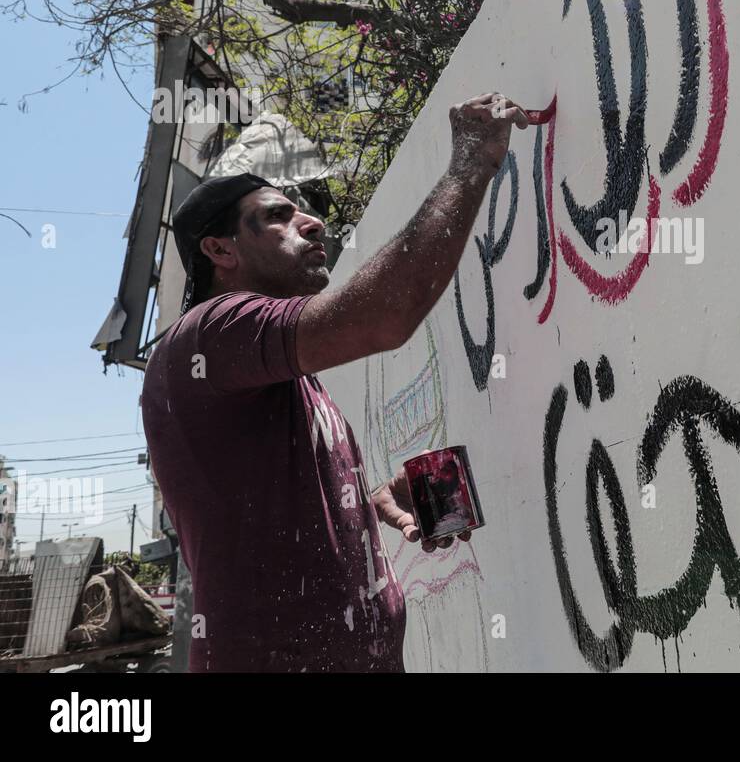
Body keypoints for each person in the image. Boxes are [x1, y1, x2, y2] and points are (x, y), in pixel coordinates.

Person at [140, 93, 533, 672]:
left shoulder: (274, 372)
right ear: (220, 249)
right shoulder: (210, 332)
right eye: (277, 215)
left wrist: (366, 502)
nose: (311, 220)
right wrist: (471, 162)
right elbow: (383, 317)